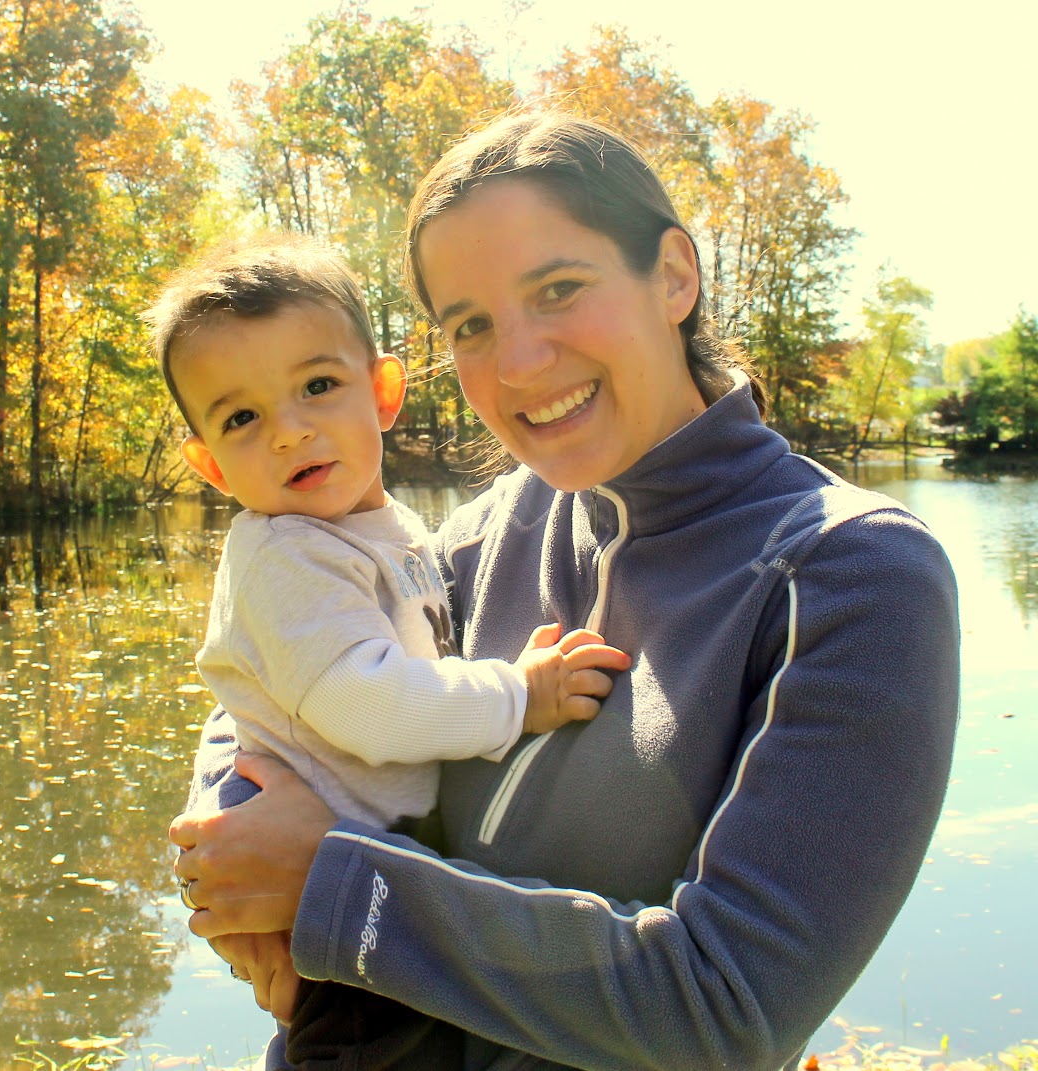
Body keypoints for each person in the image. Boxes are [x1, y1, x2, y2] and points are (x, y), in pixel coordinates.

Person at [168, 111, 960, 1071]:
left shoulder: (849, 575)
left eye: (558, 289)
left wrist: (339, 891)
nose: (518, 364)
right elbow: (285, 662)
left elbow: (727, 1008)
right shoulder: (479, 535)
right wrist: (234, 822)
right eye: (470, 325)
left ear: (673, 274)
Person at [146, 233, 631, 1069]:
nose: (290, 431)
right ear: (210, 466)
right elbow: (367, 702)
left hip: (376, 884)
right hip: (333, 911)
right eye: (242, 417)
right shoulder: (286, 554)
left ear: (383, 391)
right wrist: (520, 693)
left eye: (318, 386)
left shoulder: (386, 532)